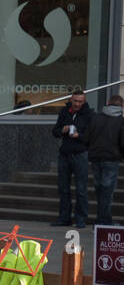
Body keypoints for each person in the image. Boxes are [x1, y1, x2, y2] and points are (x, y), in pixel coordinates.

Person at [52, 89, 94, 228]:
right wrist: (63, 130)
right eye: (75, 101)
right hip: (65, 154)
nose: (77, 104)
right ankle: (64, 218)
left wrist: (79, 136)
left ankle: (81, 218)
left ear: (84, 101)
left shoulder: (89, 114)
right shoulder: (64, 112)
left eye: (80, 101)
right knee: (63, 188)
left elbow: (91, 136)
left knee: (81, 189)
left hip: (80, 154)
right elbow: (55, 131)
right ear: (71, 100)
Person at [87, 94, 123, 225]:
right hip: (111, 158)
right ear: (122, 106)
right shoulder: (120, 120)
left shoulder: (95, 118)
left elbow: (87, 137)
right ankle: (103, 222)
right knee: (107, 192)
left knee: (100, 190)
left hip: (96, 157)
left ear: (108, 103)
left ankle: (102, 221)